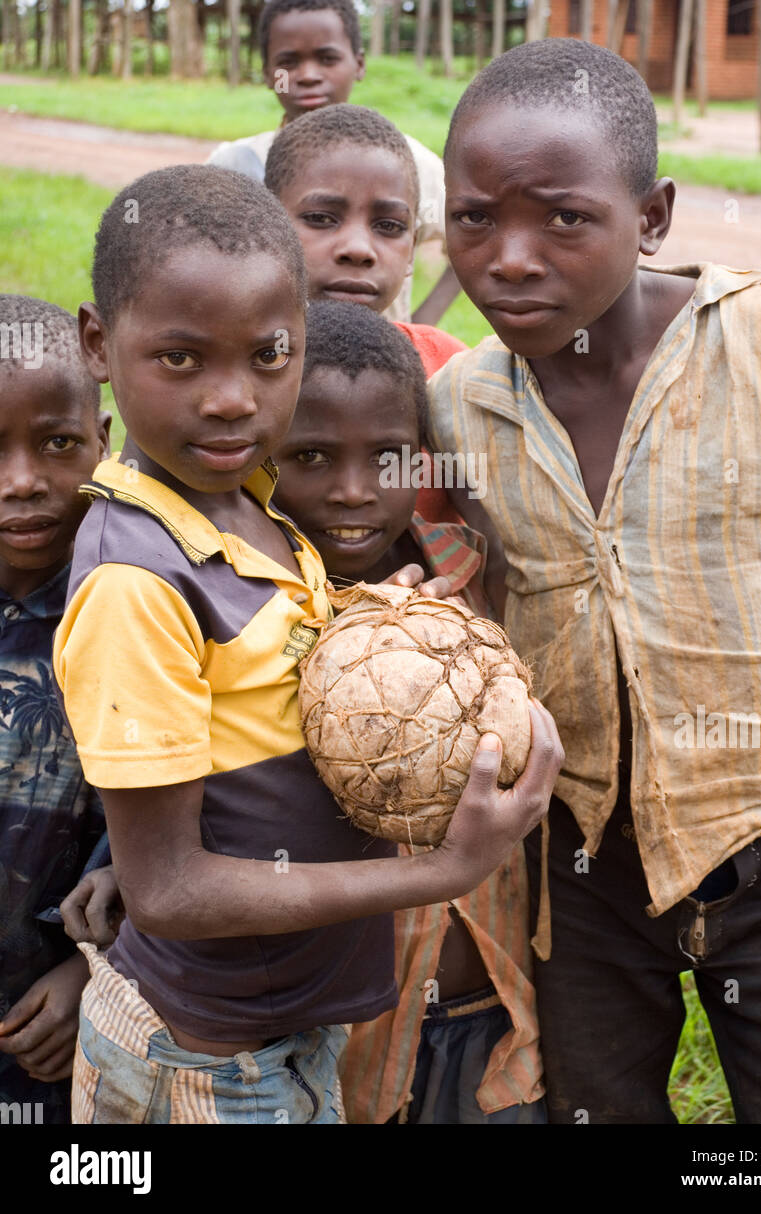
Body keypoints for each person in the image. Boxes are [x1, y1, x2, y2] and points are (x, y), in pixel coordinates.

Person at [52, 163, 562, 1125]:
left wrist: (377, 635)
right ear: (97, 345)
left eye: (269, 355)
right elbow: (166, 890)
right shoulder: (138, 577)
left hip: (284, 1024)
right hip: (200, 1054)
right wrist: (439, 873)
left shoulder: (255, 515)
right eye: (181, 359)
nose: (232, 400)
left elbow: (262, 704)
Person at [426, 38, 761, 1125]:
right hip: (580, 866)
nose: (511, 258)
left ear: (652, 215)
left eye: (563, 218)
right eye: (474, 217)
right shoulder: (457, 407)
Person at [273, 300, 546, 1124]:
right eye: (310, 456)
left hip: (497, 1021)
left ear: (423, 462)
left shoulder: (474, 578)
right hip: (343, 1039)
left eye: (388, 459)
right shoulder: (262, 617)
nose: (354, 492)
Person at [0, 296, 110, 1122]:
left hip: (65, 1032)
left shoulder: (132, 606)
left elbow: (192, 822)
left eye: (58, 444)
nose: (24, 482)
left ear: (104, 438)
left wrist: (93, 972)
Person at [207, 0, 459, 323]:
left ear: (359, 64)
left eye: (327, 58)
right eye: (288, 62)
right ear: (268, 73)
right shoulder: (235, 167)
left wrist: (419, 330)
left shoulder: (409, 164)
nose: (308, 75)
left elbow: (469, 240)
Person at [264, 102, 466, 525]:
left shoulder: (448, 373)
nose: (358, 248)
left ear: (412, 248)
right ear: (268, 229)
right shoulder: (237, 373)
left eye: (389, 226)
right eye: (321, 218)